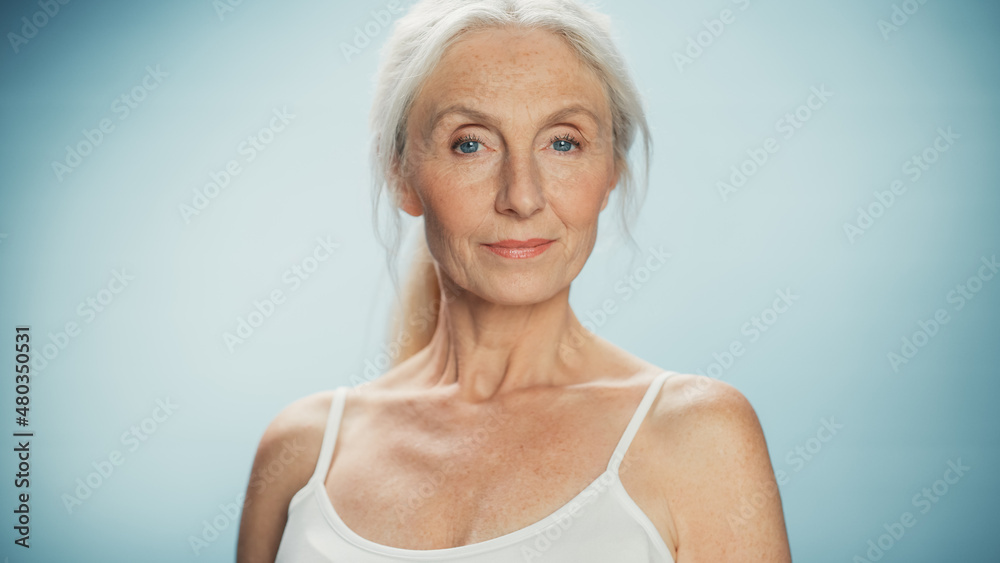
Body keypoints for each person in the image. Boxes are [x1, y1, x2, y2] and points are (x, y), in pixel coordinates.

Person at [236, 1, 791, 561]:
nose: (521, 197)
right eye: (471, 143)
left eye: (564, 142)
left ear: (610, 174)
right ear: (401, 174)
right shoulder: (302, 453)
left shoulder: (697, 434)